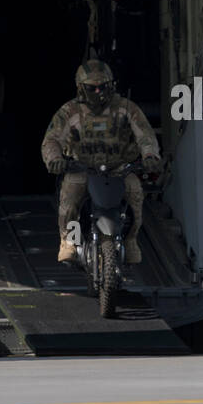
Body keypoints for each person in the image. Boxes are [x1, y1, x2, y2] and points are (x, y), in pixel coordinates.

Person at [41, 60, 161, 263]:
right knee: (71, 195)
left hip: (119, 168)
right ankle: (69, 241)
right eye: (92, 88)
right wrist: (55, 159)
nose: (98, 92)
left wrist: (149, 155)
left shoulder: (126, 109)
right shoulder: (70, 111)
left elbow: (145, 135)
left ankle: (131, 240)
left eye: (102, 87)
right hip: (82, 167)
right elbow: (52, 139)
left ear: (111, 85)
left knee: (135, 192)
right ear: (81, 88)